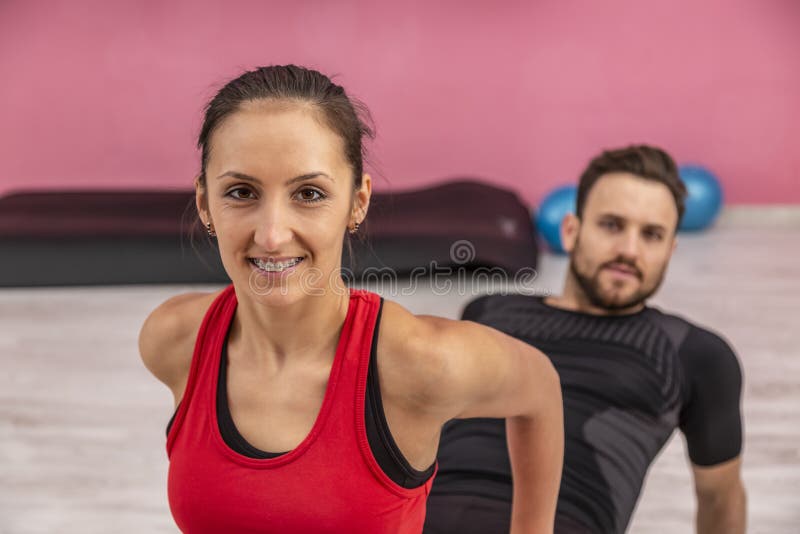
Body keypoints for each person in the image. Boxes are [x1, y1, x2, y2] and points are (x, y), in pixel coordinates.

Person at [138, 65, 563, 534]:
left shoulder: (418, 363)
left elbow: (540, 387)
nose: (273, 234)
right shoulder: (174, 338)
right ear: (205, 204)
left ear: (357, 203)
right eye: (241, 192)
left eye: (309, 193)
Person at [424, 145, 746, 534]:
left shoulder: (694, 355)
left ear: (670, 251)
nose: (629, 250)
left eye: (652, 235)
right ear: (571, 231)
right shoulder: (489, 312)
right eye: (612, 225)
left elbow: (719, 498)